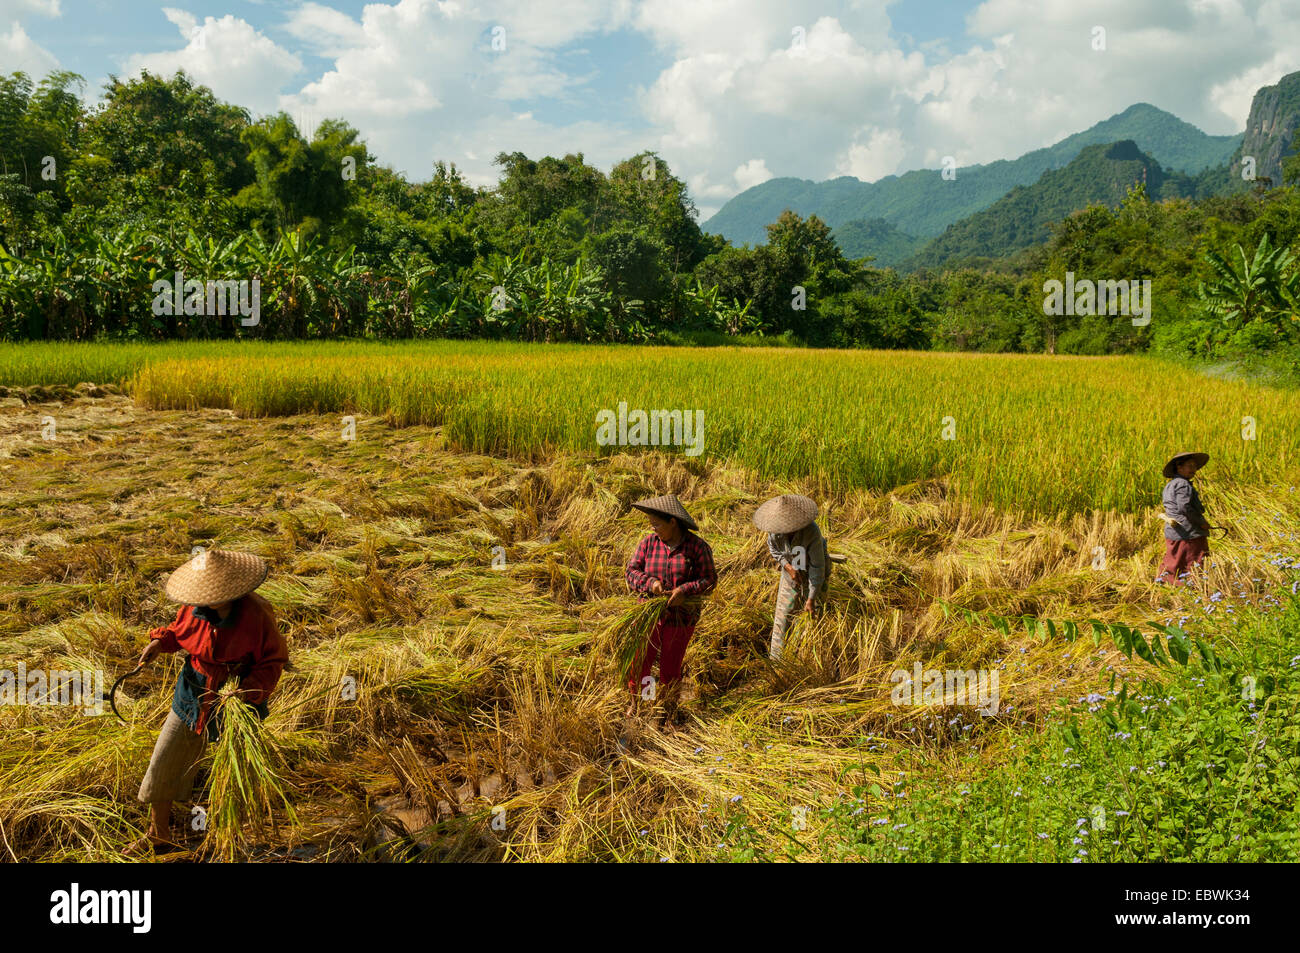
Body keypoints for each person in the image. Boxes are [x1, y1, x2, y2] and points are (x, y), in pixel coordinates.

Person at [127, 549, 288, 854]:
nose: (209, 598)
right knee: (165, 757)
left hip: (237, 699)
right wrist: (160, 643)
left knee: (232, 771)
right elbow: (179, 633)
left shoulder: (257, 615)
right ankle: (158, 832)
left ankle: (229, 833)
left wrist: (246, 691)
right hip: (193, 691)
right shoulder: (193, 608)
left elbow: (273, 661)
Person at [624, 494, 716, 727]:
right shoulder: (648, 543)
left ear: (673, 522)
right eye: (652, 525)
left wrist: (685, 590)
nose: (654, 530)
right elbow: (631, 572)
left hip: (681, 618)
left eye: (657, 524)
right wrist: (651, 584)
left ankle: (665, 710)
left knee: (670, 666)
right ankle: (643, 700)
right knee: (642, 661)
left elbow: (709, 579)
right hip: (649, 615)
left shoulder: (697, 547)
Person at [754, 494, 827, 660]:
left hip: (812, 571)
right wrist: (788, 567)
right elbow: (774, 550)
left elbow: (817, 567)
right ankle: (777, 661)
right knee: (783, 616)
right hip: (790, 572)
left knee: (811, 614)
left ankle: (805, 656)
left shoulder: (811, 532)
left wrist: (811, 598)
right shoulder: (775, 532)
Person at [1156, 451, 1211, 587]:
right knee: (1192, 559)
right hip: (1188, 531)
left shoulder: (1171, 484)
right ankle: (1190, 586)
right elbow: (1185, 507)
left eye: (1194, 466)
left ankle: (1165, 582)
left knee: (1174, 558)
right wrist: (1201, 522)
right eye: (1189, 466)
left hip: (1175, 529)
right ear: (1179, 468)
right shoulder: (1183, 484)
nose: (1193, 469)